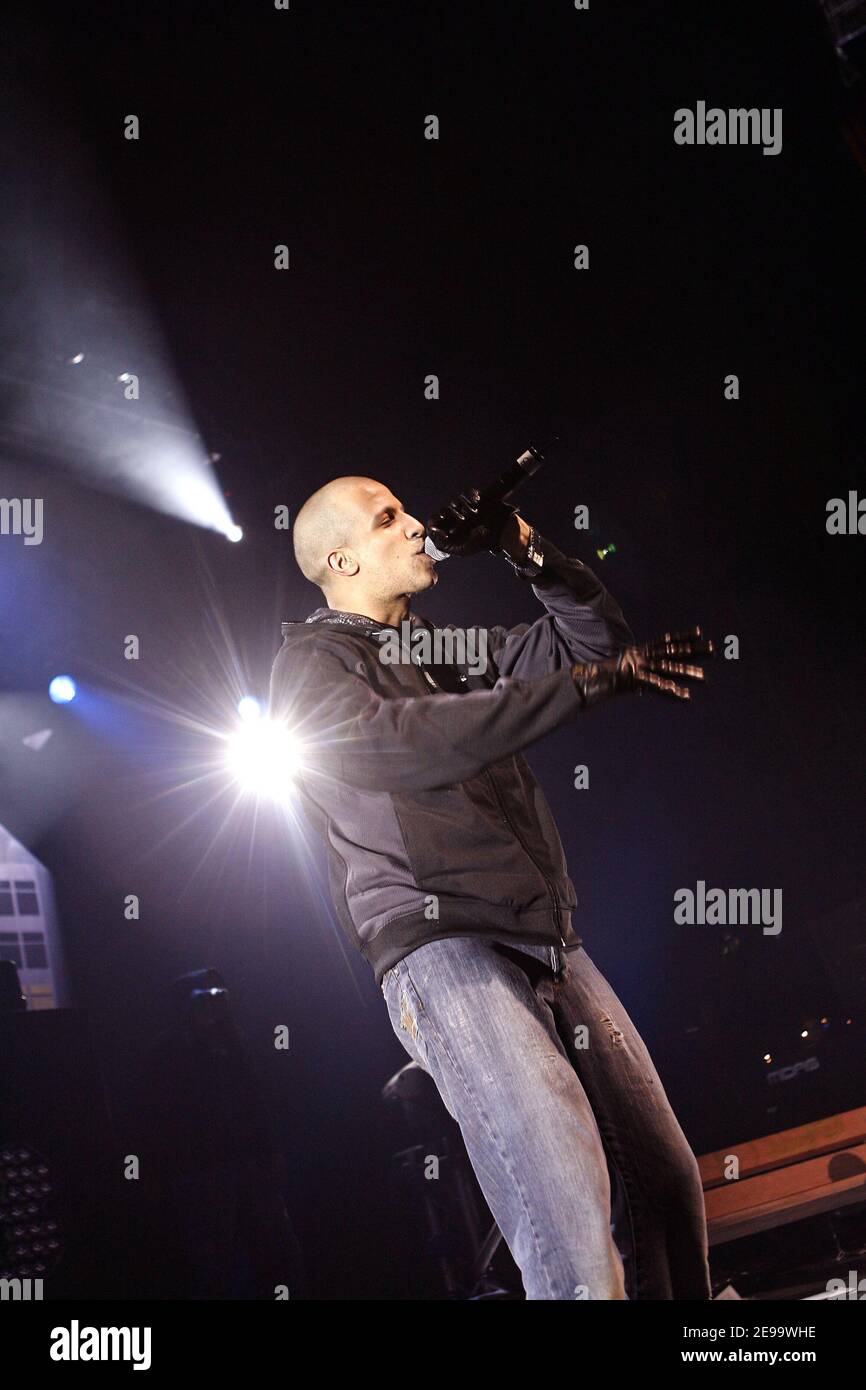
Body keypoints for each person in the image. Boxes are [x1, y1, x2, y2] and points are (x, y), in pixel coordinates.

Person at [269, 474, 713, 1300]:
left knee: (665, 1182)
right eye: (387, 519)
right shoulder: (310, 666)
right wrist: (583, 687)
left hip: (547, 936)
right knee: (567, 1202)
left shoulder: (438, 649)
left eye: (406, 512)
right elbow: (413, 741)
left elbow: (592, 645)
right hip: (443, 949)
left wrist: (524, 545)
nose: (413, 527)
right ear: (339, 558)